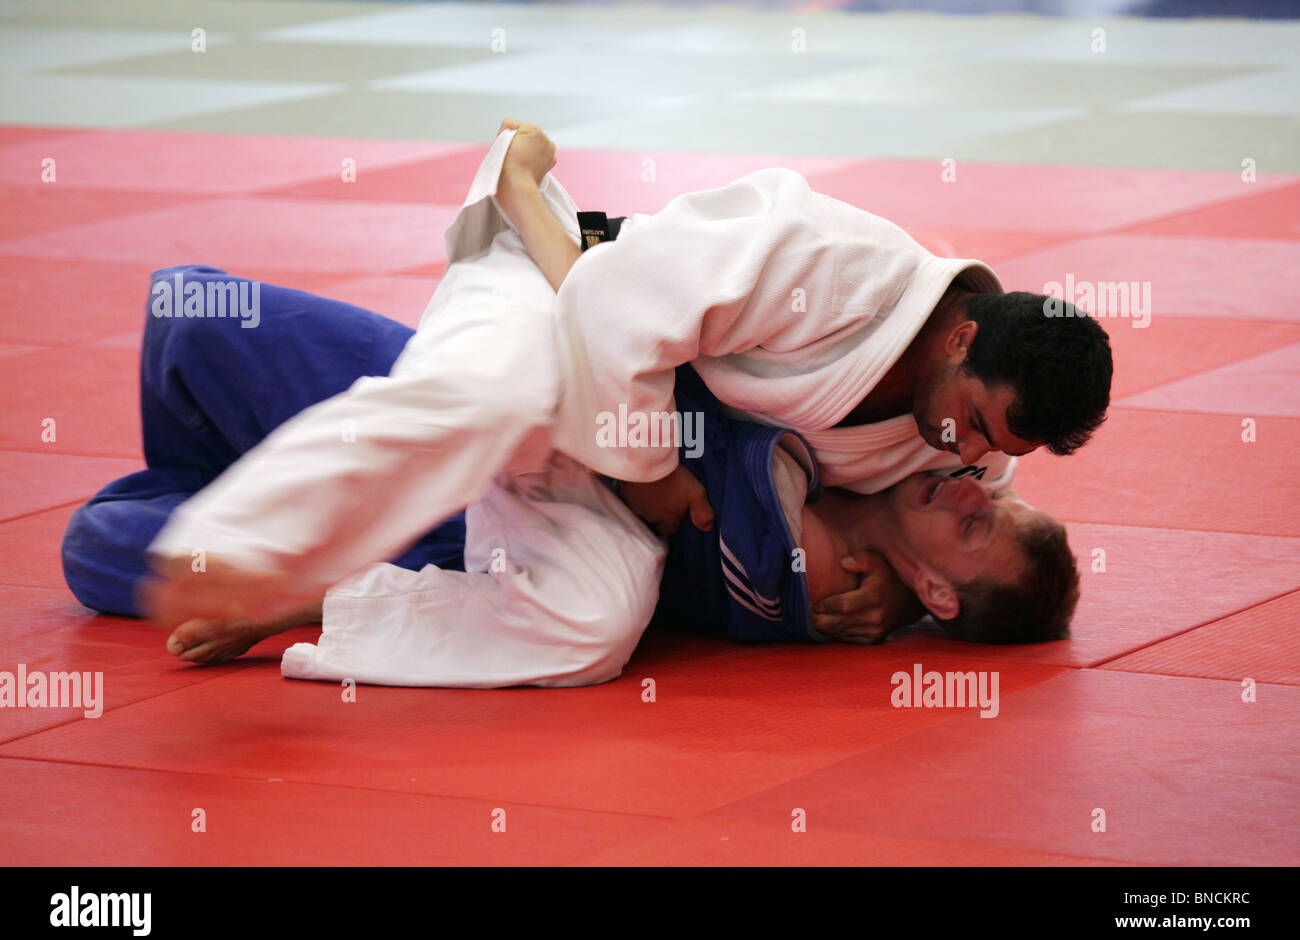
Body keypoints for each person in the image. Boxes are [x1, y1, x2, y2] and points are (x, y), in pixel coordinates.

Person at [129, 119, 1109, 644]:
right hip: (550, 287)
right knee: (492, 398)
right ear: (961, 337)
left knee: (597, 626)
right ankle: (237, 541)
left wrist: (902, 596)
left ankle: (322, 603)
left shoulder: (962, 439)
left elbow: (970, 553)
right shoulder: (822, 258)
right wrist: (646, 469)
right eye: (977, 426)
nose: (973, 462)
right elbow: (603, 305)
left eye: (995, 454)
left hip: (610, 429)